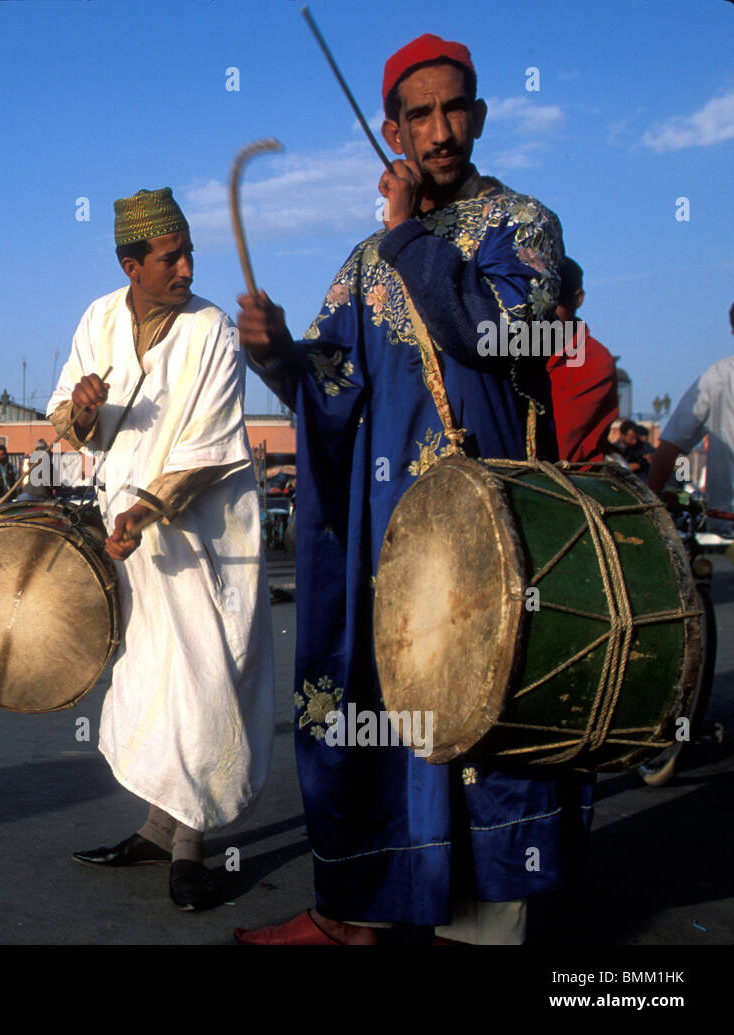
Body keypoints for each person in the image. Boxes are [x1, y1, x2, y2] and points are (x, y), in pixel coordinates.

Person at [236, 35, 589, 944]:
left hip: (494, 534)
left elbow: (496, 336)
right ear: (392, 129)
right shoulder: (361, 267)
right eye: (420, 115)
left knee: (490, 719)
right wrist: (278, 355)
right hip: (396, 543)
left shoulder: (523, 228)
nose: (441, 130)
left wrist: (406, 235)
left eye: (454, 109)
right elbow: (333, 389)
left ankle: (478, 924)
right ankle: (360, 911)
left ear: (479, 114)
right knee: (385, 720)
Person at [49, 187, 273, 912]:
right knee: (148, 674)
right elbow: (66, 419)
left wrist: (145, 511)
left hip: (204, 540)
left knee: (204, 681)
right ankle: (155, 826)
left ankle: (191, 847)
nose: (185, 268)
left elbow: (206, 450)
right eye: (169, 257)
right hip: (132, 539)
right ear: (131, 265)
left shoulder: (211, 330)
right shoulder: (97, 319)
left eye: (188, 253)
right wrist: (83, 409)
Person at [648, 302, 734, 532]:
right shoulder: (718, 377)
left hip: (728, 519)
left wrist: (652, 502)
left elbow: (672, 441)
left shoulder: (718, 377)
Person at [547, 256, 618, 461]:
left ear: (578, 299)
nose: (542, 313)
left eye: (553, 301)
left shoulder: (595, 362)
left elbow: (560, 444)